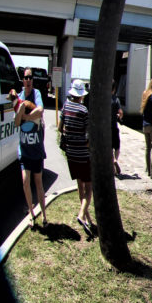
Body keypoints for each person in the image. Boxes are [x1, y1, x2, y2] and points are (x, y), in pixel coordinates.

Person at [13, 77, 47, 226]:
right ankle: (32, 214)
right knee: (26, 182)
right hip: (24, 149)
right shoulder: (19, 97)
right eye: (25, 78)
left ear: (32, 80)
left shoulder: (37, 94)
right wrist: (20, 111)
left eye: (30, 78)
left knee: (38, 183)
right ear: (22, 80)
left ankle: (45, 216)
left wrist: (25, 117)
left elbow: (40, 111)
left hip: (37, 150)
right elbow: (16, 122)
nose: (28, 80)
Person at [62, 78, 93, 236]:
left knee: (80, 185)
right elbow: (87, 137)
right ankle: (82, 215)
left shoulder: (65, 107)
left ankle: (87, 218)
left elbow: (61, 128)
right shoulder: (84, 111)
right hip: (82, 154)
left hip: (70, 153)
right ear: (82, 95)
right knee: (89, 188)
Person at [111, 81, 124, 176]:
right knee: (117, 146)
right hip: (114, 125)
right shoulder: (116, 99)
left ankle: (113, 161)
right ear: (114, 89)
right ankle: (115, 159)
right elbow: (120, 112)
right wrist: (119, 117)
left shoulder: (104, 98)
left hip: (106, 127)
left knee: (109, 147)